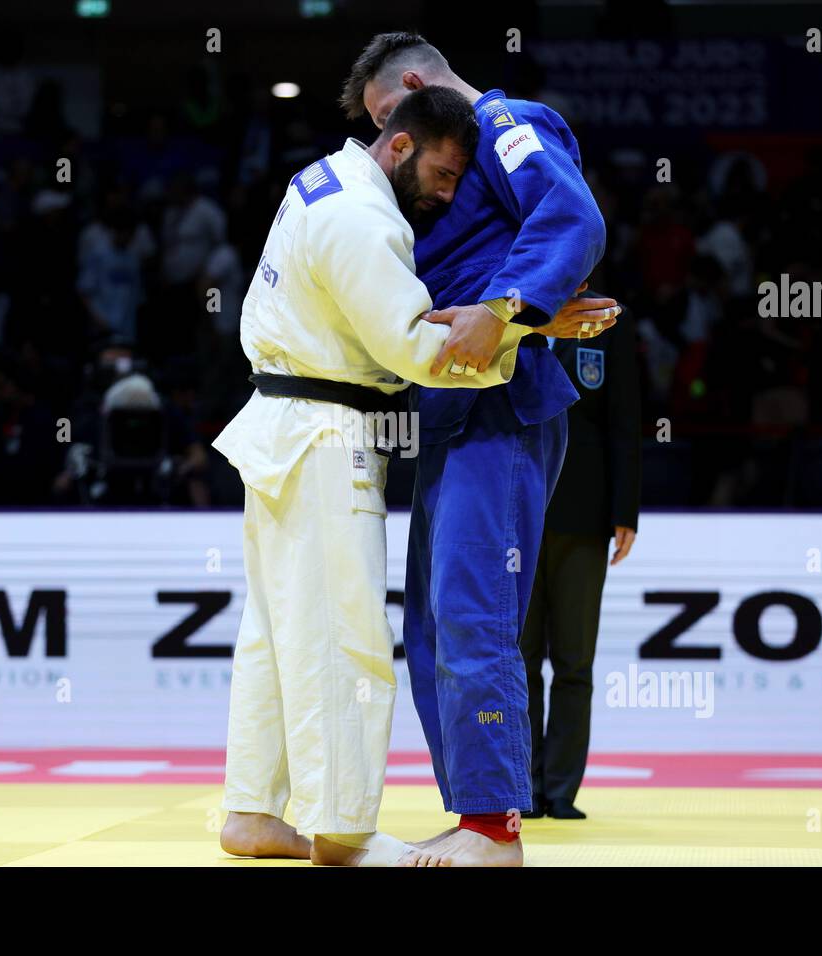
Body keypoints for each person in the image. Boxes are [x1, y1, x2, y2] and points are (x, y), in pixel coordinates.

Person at [212, 87, 536, 867]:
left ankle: (254, 814)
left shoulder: (322, 178)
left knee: (275, 634)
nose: (448, 193)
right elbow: (412, 347)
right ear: (399, 146)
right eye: (445, 172)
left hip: (288, 425)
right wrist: (525, 319)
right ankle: (342, 832)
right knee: (342, 638)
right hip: (325, 436)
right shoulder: (361, 215)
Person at [341, 32, 614, 866]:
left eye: (395, 121)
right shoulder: (434, 183)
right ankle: (474, 811)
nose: (396, 150)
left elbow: (573, 217)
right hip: (452, 412)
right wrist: (526, 306)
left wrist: (511, 307)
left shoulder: (506, 122)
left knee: (472, 613)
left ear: (418, 87)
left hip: (503, 406)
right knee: (429, 626)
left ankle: (495, 830)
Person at [520, 311, 641, 820]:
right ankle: (519, 788)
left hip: (585, 516)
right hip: (517, 512)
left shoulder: (608, 324)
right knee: (518, 663)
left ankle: (561, 789)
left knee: (574, 662)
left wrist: (624, 510)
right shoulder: (510, 317)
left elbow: (626, 421)